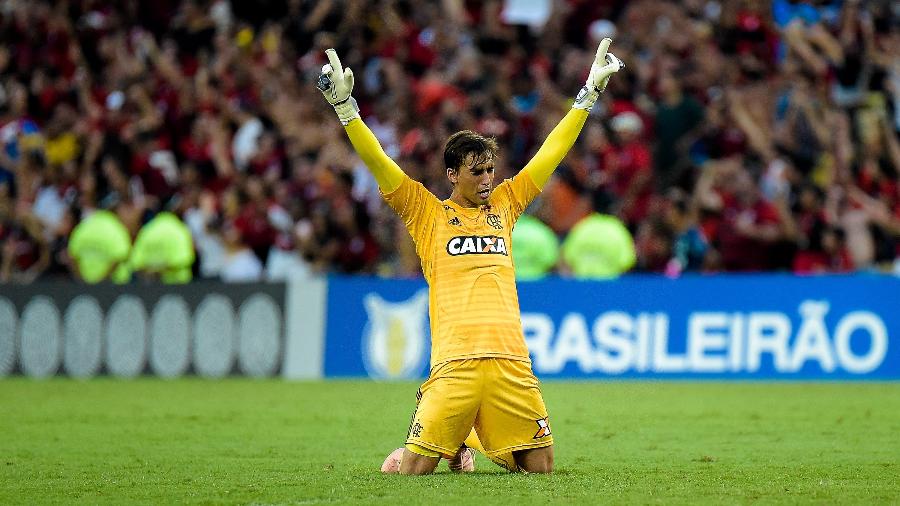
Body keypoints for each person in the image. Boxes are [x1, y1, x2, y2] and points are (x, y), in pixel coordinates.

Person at [317, 39, 623, 474]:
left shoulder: (506, 204)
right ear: (452, 174)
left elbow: (550, 153)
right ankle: (448, 438)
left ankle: (469, 438)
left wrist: (587, 96)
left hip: (511, 361)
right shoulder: (426, 213)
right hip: (454, 363)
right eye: (476, 171)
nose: (486, 179)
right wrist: (347, 109)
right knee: (408, 473)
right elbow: (379, 161)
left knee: (541, 468)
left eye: (489, 170)